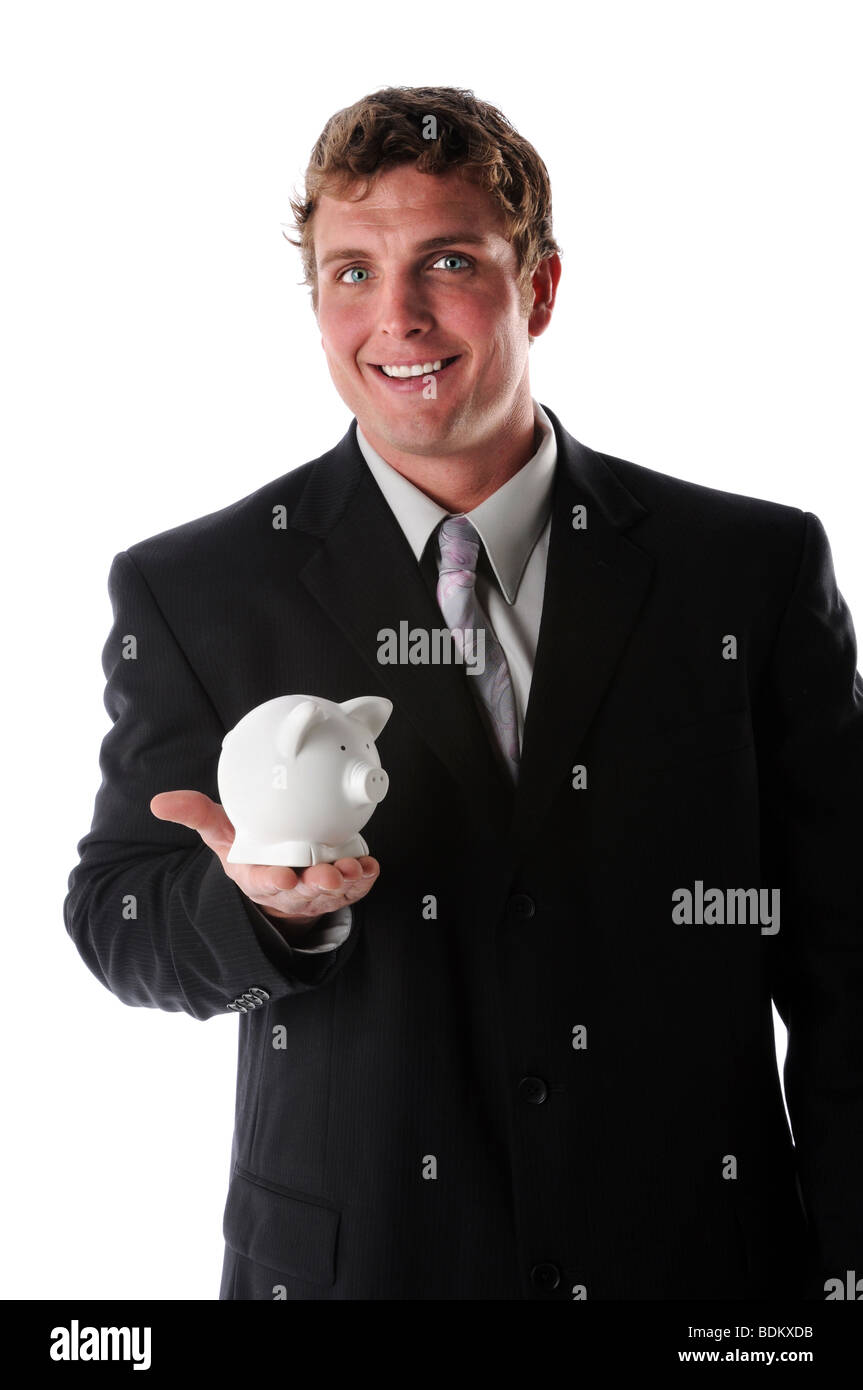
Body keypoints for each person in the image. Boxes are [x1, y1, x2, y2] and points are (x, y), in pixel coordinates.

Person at [64, 84, 863, 1301]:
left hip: (701, 1276)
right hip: (357, 1267)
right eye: (348, 273)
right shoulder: (195, 588)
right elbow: (118, 911)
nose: (396, 318)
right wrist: (269, 914)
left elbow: (843, 956)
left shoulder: (748, 569)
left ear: (537, 286)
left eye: (446, 261)